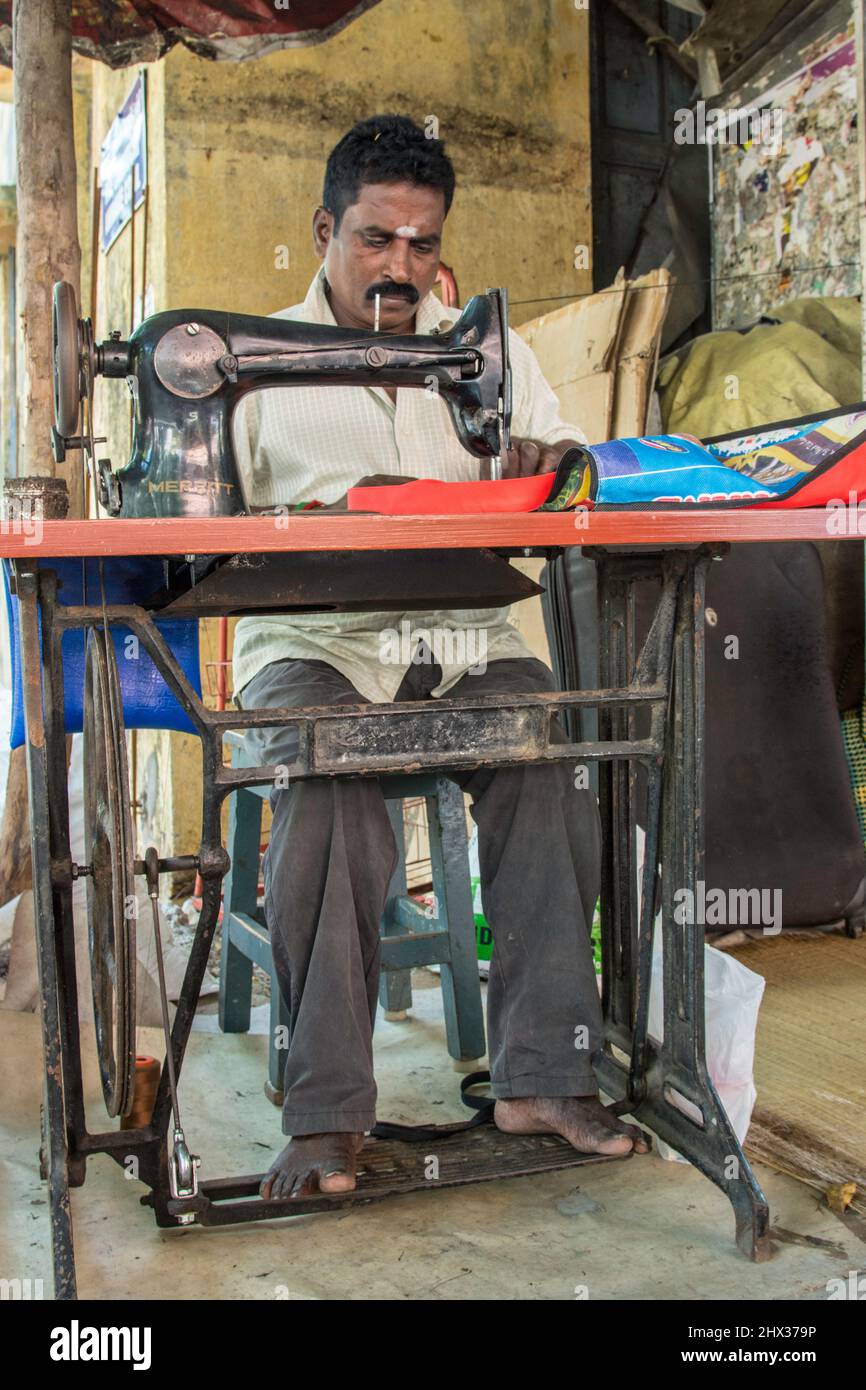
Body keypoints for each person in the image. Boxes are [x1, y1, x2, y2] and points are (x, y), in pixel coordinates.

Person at [232, 114, 647, 1201]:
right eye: (376, 239)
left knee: (544, 755)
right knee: (330, 791)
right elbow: (188, 528)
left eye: (421, 245)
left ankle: (543, 1075)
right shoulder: (245, 361)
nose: (400, 268)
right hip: (314, 641)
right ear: (325, 230)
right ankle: (325, 1118)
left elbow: (568, 477)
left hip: (463, 637)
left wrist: (550, 463)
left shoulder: (484, 349)